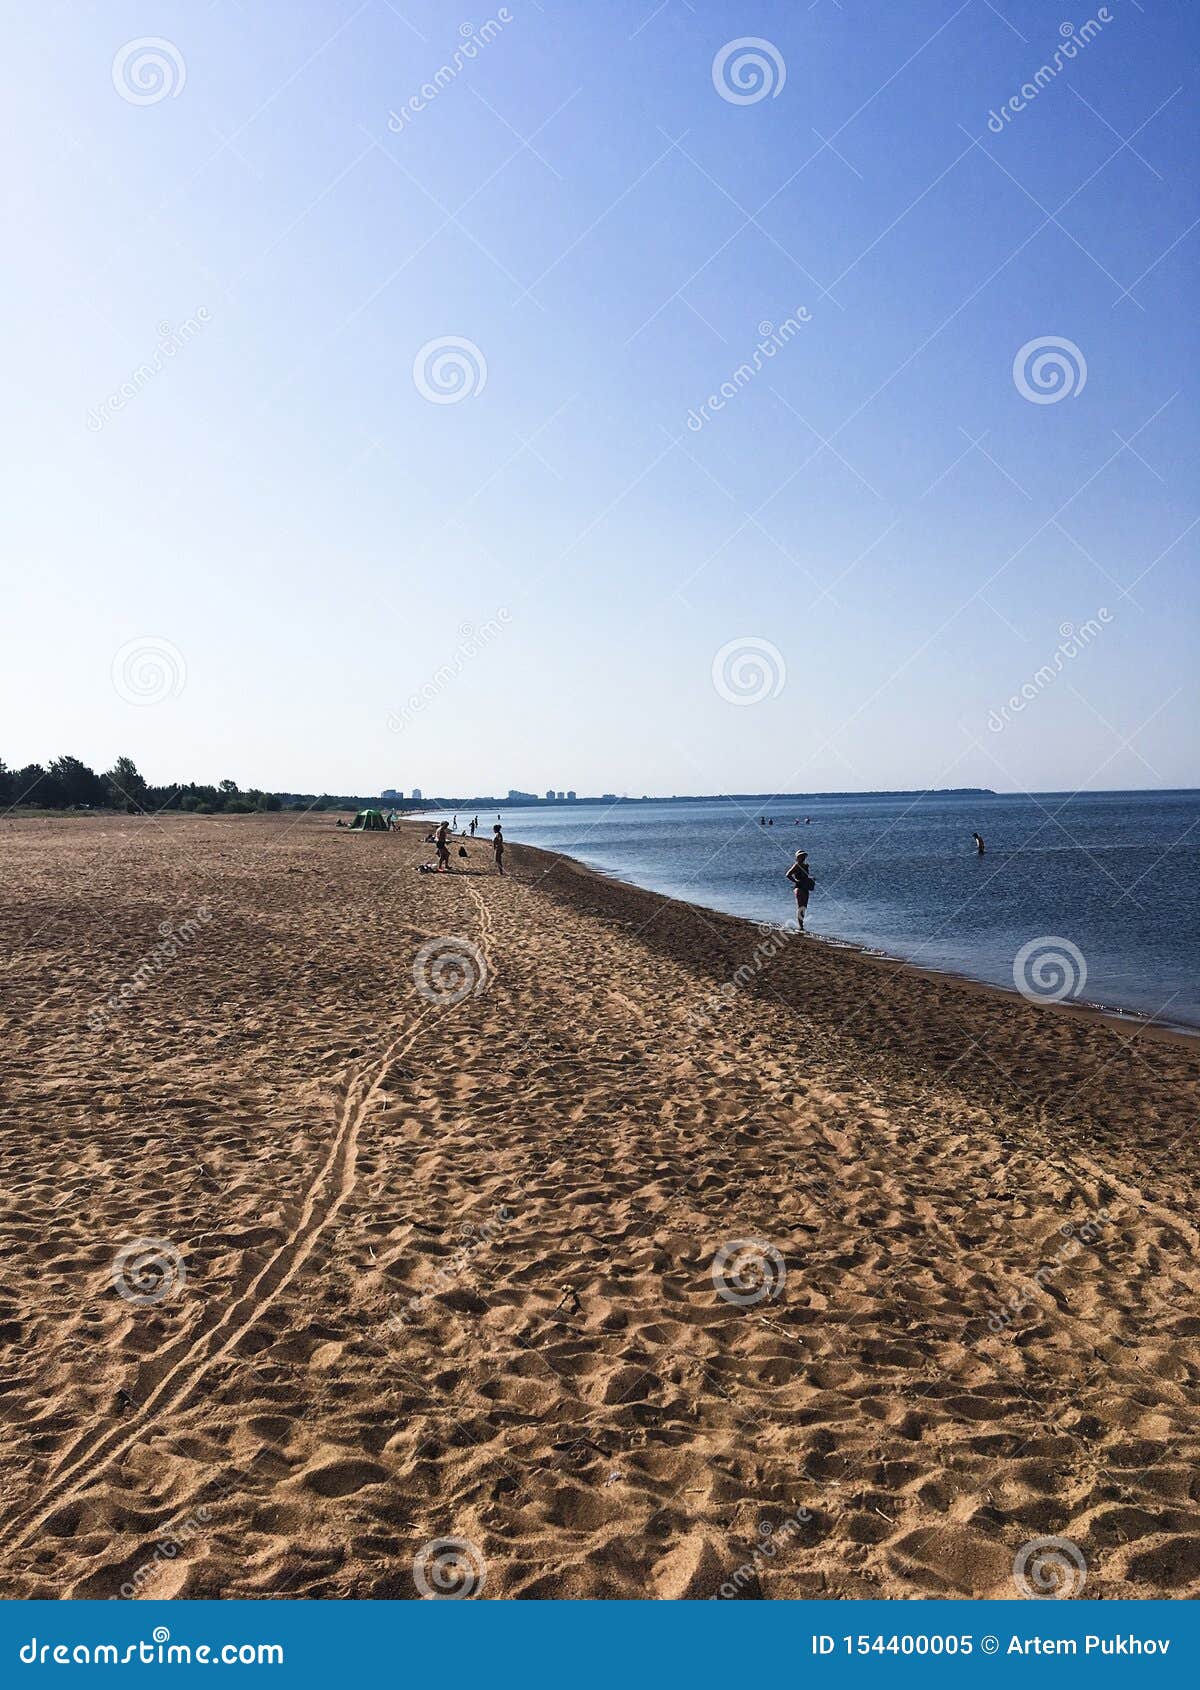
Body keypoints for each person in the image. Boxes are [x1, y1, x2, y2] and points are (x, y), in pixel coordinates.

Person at [785, 849, 814, 929]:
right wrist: (796, 881)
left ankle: (801, 925)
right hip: (799, 888)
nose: (803, 857)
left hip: (805, 888)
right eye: (801, 856)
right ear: (797, 857)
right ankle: (800, 926)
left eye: (804, 856)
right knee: (800, 907)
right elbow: (788, 874)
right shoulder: (796, 865)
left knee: (804, 907)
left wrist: (810, 879)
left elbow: (804, 877)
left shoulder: (805, 865)